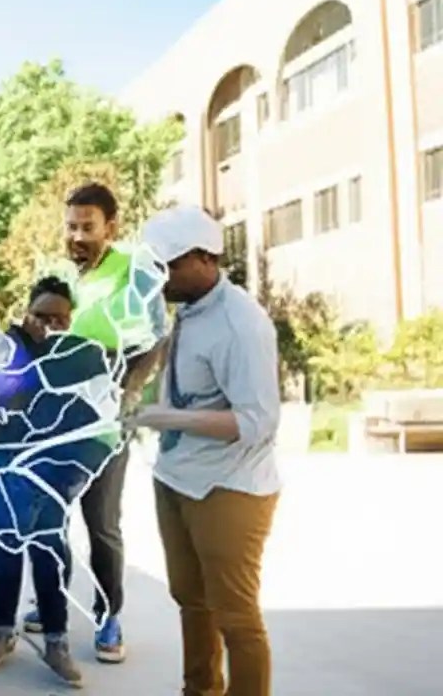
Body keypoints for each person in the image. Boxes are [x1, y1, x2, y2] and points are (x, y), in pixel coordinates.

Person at [132, 205, 281, 696]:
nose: (162, 278)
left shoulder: (242, 324)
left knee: (236, 618)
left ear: (203, 258)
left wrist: (165, 418)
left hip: (227, 485)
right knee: (191, 602)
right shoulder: (188, 309)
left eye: (169, 266)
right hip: (176, 475)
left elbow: (257, 423)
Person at [21, 182, 167, 663]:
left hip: (102, 421)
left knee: (101, 523)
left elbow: (155, 341)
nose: (78, 235)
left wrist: (129, 390)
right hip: (52, 418)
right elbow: (34, 333)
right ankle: (52, 601)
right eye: (71, 226)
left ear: (111, 227)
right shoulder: (55, 272)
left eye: (88, 226)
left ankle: (109, 616)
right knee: (49, 520)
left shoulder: (134, 271)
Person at [0, 276, 116, 688]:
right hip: (1, 462)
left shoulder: (83, 356)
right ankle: (0, 631)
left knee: (50, 548)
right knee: (5, 546)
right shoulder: (2, 350)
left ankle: (56, 639)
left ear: (71, 321)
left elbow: (102, 416)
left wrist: (77, 467)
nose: (49, 325)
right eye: (41, 315)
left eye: (59, 319)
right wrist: (23, 348)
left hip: (53, 467)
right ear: (26, 312)